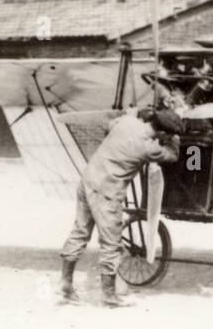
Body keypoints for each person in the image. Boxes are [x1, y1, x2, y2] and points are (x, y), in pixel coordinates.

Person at [60, 106, 184, 306]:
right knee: (111, 244)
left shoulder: (127, 123)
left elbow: (112, 124)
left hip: (88, 181)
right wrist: (175, 140)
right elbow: (172, 156)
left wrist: (138, 113)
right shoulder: (148, 148)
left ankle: (65, 284)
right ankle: (109, 295)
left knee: (80, 232)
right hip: (107, 192)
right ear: (161, 133)